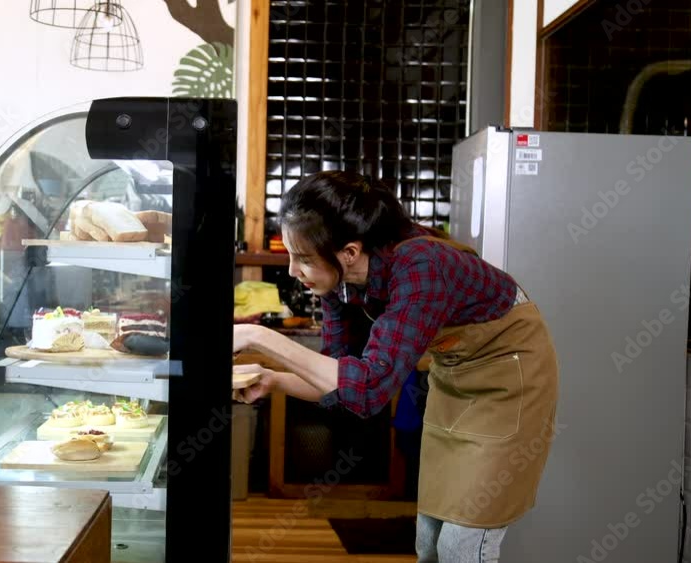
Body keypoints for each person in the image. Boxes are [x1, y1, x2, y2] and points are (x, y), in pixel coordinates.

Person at [232, 171, 559, 562]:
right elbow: (341, 380)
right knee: (429, 541)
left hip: (510, 378)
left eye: (302, 258)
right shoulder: (339, 282)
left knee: (462, 546)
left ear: (349, 252)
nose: (291, 271)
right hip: (454, 376)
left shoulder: (422, 264)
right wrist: (272, 378)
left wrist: (259, 338)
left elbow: (368, 391)